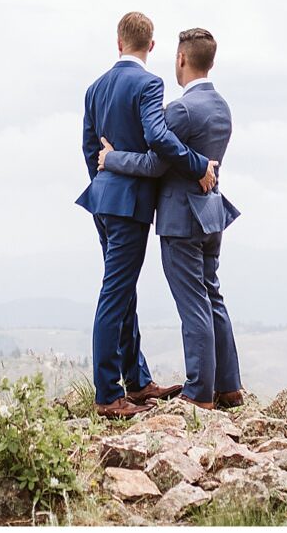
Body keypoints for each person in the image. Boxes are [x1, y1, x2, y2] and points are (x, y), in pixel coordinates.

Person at [76, 12, 218, 418]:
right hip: (130, 204)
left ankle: (136, 382)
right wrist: (197, 165)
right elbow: (158, 139)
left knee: (123, 290)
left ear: (118, 42)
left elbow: (90, 148)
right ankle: (107, 394)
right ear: (151, 46)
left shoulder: (94, 88)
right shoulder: (148, 83)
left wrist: (104, 183)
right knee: (115, 293)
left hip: (101, 200)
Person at [97, 26, 243, 410]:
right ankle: (229, 386)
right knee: (213, 297)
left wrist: (110, 159)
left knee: (193, 303)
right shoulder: (221, 106)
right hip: (212, 214)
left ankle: (199, 392)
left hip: (182, 219)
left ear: (181, 59)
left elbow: (153, 163)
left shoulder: (181, 110)